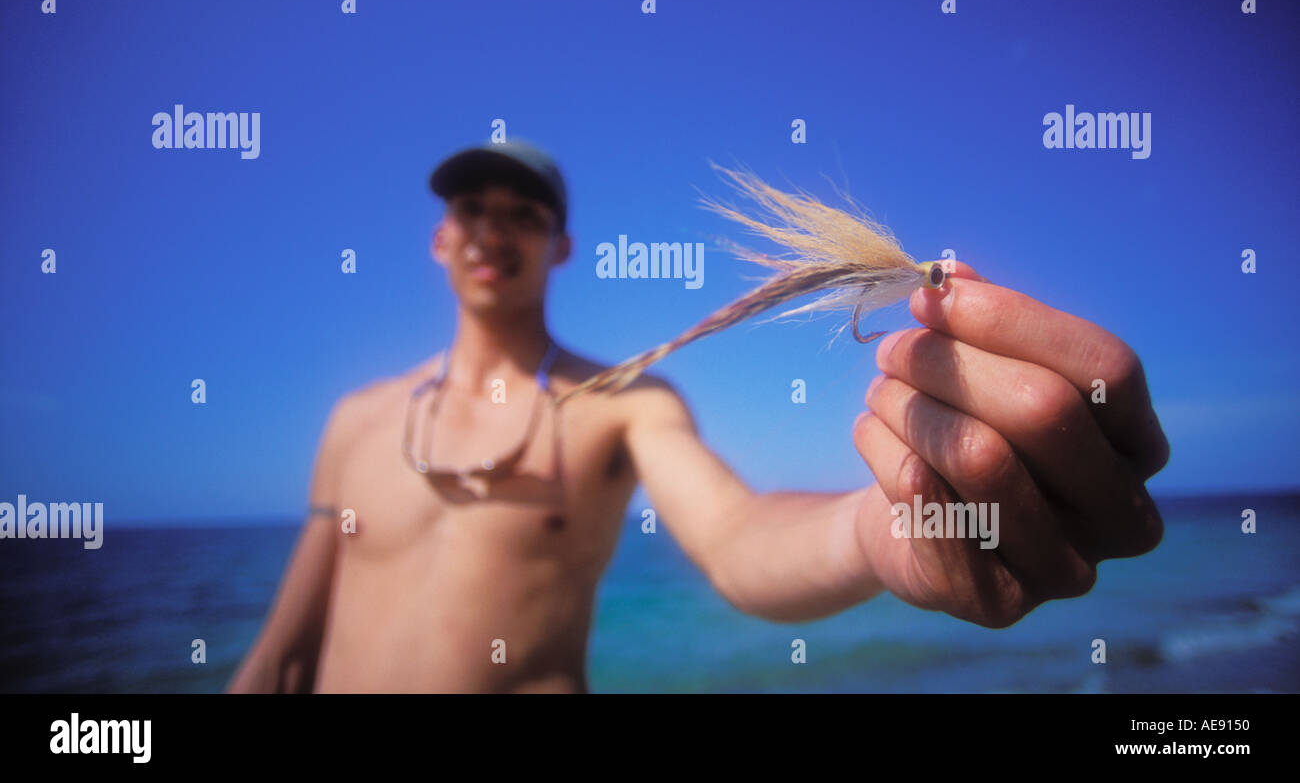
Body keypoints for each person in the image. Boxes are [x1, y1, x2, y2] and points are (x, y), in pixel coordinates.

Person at [227, 140, 1170, 693]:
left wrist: (879, 529)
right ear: (440, 236)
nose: (491, 230)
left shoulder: (625, 407)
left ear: (561, 246)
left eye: (522, 213)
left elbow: (736, 535)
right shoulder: (355, 421)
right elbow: (281, 651)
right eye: (471, 209)